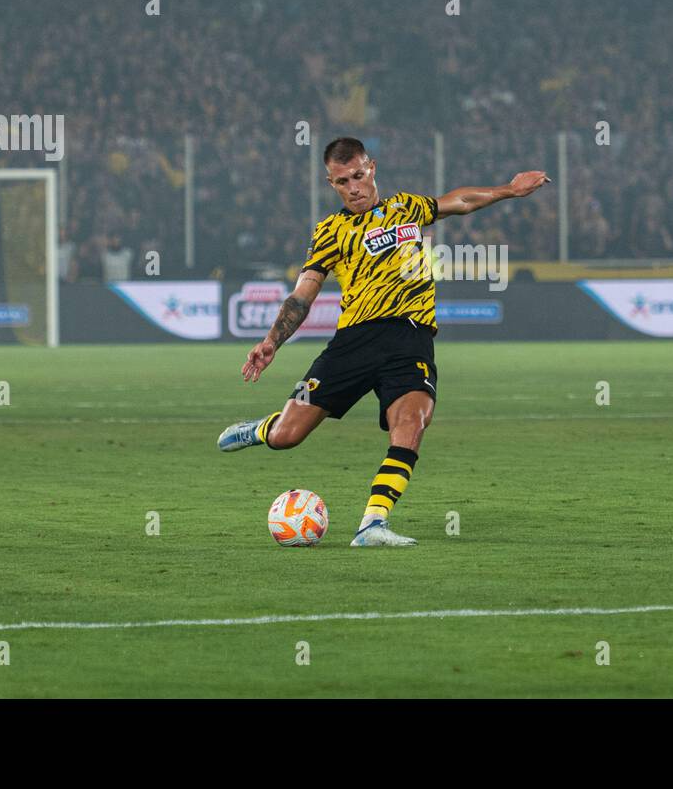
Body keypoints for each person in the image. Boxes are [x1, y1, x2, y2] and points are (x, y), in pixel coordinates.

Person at [217, 136, 550, 547]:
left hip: (410, 339)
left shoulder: (407, 208)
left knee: (412, 423)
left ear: (371, 167)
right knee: (289, 436)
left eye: (358, 175)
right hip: (351, 345)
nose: (353, 187)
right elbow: (303, 294)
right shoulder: (330, 231)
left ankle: (372, 524)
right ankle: (263, 429)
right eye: (342, 182)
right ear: (331, 183)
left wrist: (509, 190)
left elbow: (459, 201)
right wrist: (271, 341)